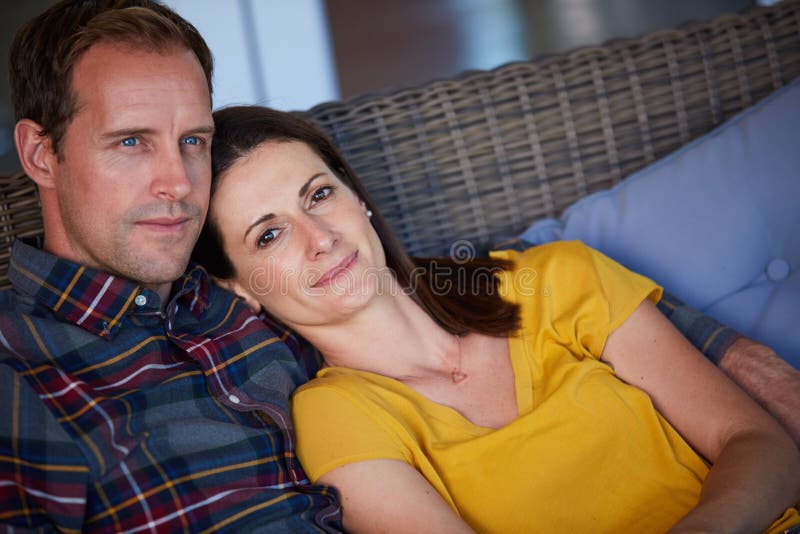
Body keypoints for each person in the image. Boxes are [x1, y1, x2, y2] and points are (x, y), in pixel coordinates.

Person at [194, 105, 800, 533]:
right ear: (240, 286)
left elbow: (758, 444)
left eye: (319, 195)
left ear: (358, 197)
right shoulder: (336, 419)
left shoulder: (553, 279)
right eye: (269, 234)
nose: (320, 239)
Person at [0, 1, 342, 531]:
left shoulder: (250, 278)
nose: (180, 183)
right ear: (41, 154)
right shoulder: (18, 380)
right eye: (132, 141)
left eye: (193, 141)